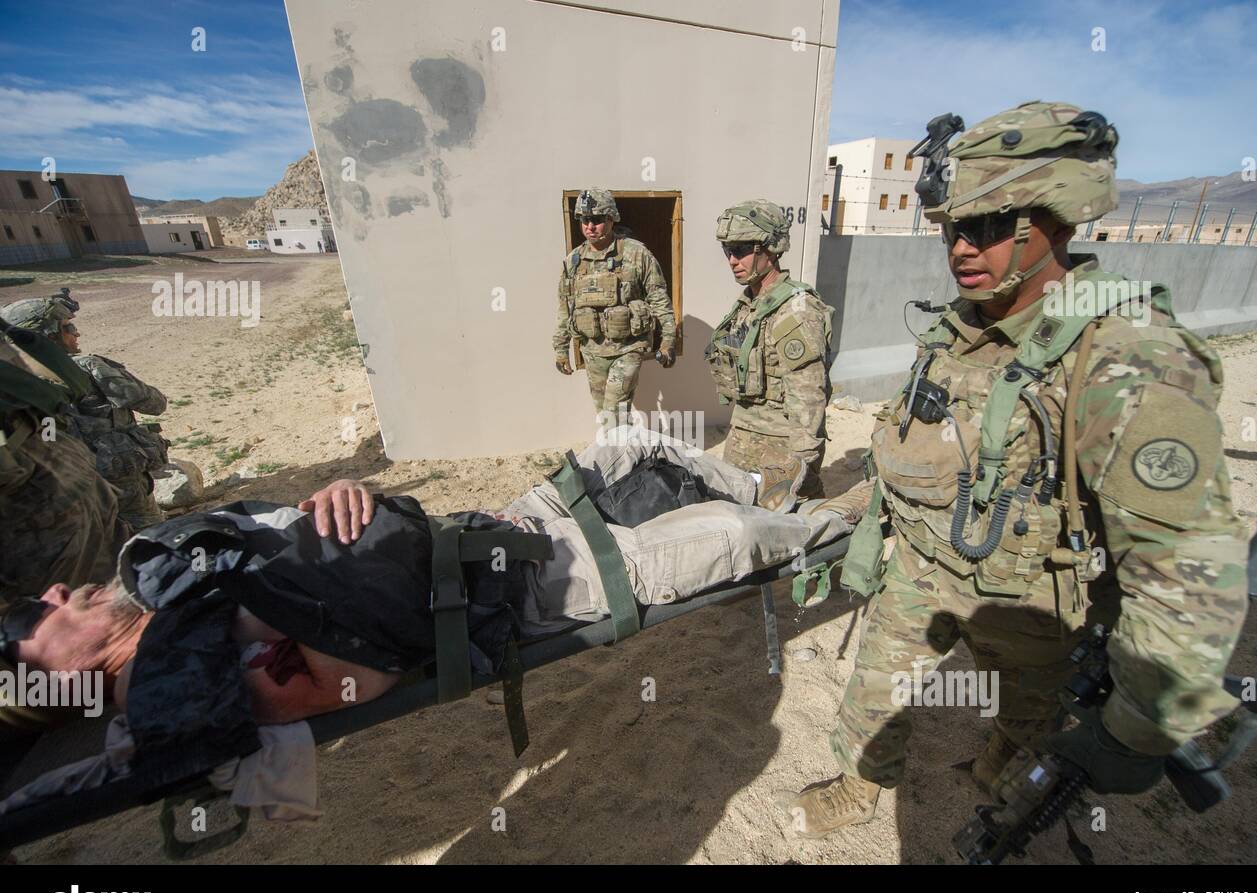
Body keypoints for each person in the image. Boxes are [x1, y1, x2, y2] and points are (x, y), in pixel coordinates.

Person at [786, 102, 1249, 837]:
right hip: (923, 570)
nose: (962, 248)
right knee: (874, 696)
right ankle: (859, 783)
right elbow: (915, 443)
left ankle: (999, 765)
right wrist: (849, 511)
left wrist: (1136, 726)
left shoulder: (1125, 356)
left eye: (988, 227)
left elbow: (1186, 573)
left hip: (1034, 601)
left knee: (1026, 722)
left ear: (1056, 223)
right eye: (951, 230)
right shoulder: (962, 328)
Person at [4, 428, 872, 735]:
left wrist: (350, 495)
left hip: (489, 531)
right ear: (59, 675)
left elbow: (302, 536)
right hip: (542, 589)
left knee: (628, 444)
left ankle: (769, 489)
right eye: (30, 624)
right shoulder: (184, 676)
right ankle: (852, 523)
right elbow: (358, 678)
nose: (49, 594)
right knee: (734, 537)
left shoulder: (179, 592)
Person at [1, 292, 169, 532]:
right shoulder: (87, 367)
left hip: (55, 482)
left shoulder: (13, 381)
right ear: (47, 335)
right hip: (113, 472)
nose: (76, 333)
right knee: (150, 537)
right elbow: (154, 404)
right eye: (68, 327)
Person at [706, 200, 833, 500]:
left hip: (781, 446)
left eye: (741, 250)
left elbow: (808, 392)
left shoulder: (795, 309)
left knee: (792, 533)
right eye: (728, 251)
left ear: (769, 249)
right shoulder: (749, 304)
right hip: (742, 437)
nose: (732, 260)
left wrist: (801, 464)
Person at [553, 188, 676, 417]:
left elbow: (658, 298)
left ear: (611, 219)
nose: (590, 226)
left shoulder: (636, 253)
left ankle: (618, 450)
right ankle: (620, 450)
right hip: (593, 350)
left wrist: (668, 340)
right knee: (605, 415)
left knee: (614, 410)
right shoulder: (573, 261)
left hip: (629, 348)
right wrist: (561, 350)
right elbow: (565, 307)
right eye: (585, 219)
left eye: (597, 220)